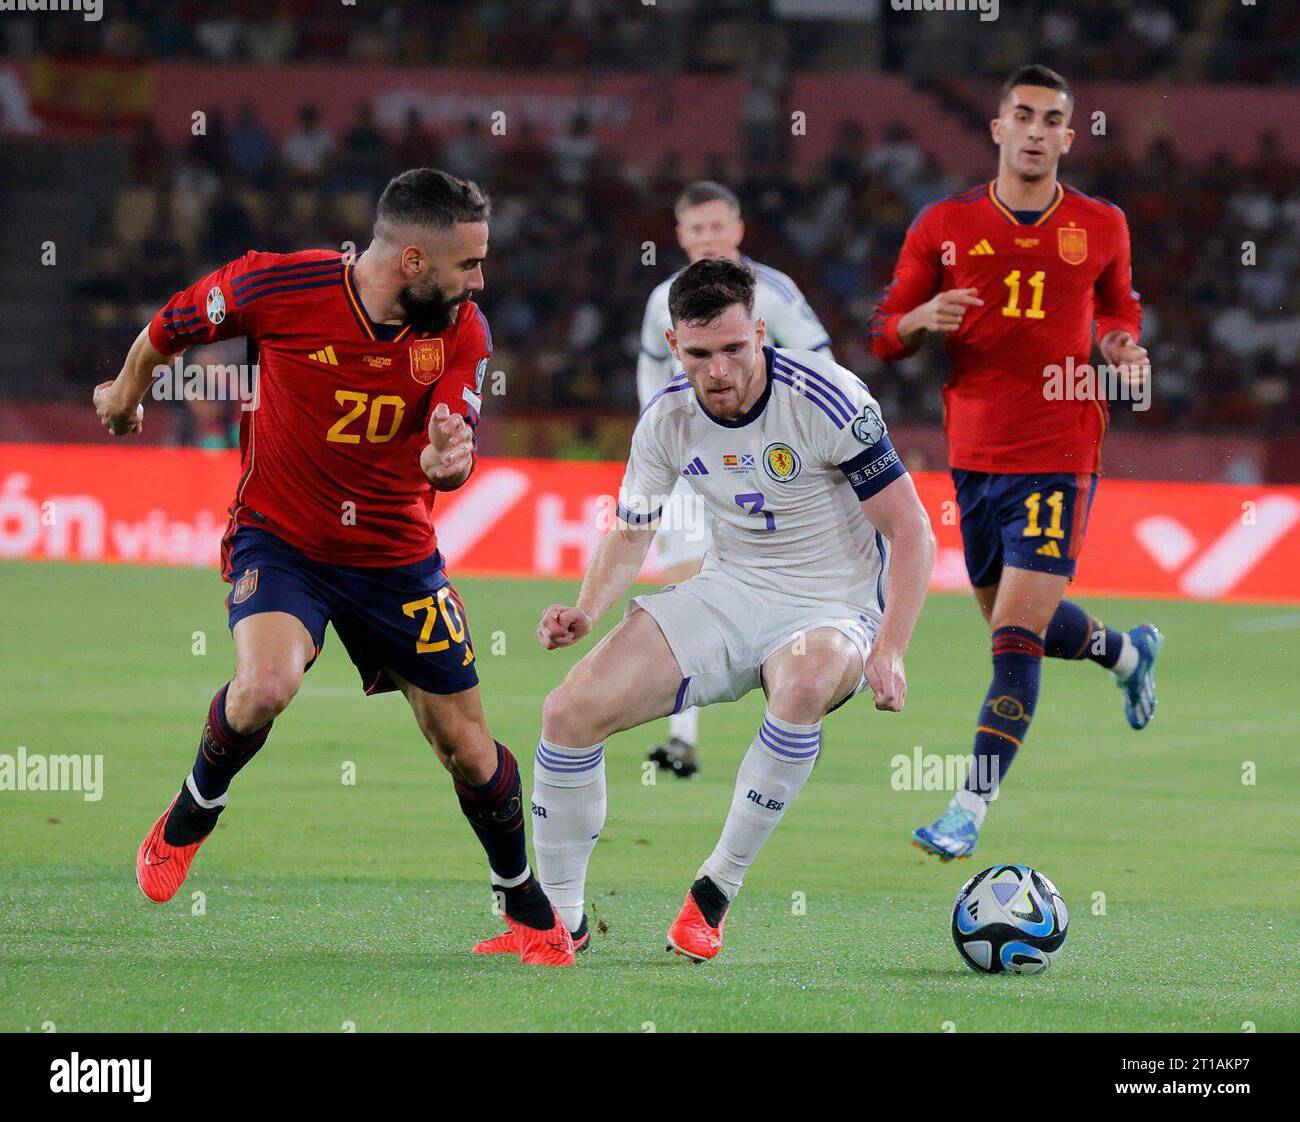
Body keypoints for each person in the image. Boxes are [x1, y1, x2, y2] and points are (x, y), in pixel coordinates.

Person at [92, 167, 574, 967]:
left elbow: (449, 456)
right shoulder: (278, 286)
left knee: (465, 745)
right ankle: (193, 811)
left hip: (397, 557)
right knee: (266, 686)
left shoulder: (463, 332)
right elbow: (169, 326)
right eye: (469, 265)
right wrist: (126, 393)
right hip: (282, 539)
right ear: (414, 261)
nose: (481, 281)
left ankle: (526, 905)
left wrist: (447, 460)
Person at [493, 258, 933, 961]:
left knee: (805, 683)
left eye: (734, 348)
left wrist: (890, 647)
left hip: (831, 604)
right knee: (567, 713)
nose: (719, 370)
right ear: (675, 347)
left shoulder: (829, 399)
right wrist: (587, 608)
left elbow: (911, 529)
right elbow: (633, 529)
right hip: (730, 589)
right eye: (700, 354)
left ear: (760, 332)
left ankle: (713, 893)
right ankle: (562, 922)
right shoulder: (667, 417)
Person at [869, 65, 1162, 862]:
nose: (1036, 131)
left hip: (1060, 447)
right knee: (1013, 622)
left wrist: (1119, 345)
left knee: (1014, 641)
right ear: (999, 129)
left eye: (1053, 119)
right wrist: (925, 317)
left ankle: (968, 807)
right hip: (974, 453)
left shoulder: (1101, 224)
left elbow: (1120, 308)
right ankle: (1128, 652)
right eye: (1023, 116)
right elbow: (884, 330)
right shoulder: (943, 225)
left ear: (1070, 137)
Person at [636, 180, 836, 778]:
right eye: (696, 229)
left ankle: (793, 726)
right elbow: (650, 372)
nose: (708, 239)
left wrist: (804, 435)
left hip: (773, 468)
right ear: (680, 236)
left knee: (786, 598)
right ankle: (682, 739)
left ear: (738, 229)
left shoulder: (772, 294)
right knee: (681, 590)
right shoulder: (661, 301)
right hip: (693, 468)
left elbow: (820, 357)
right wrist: (658, 442)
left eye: (717, 227)